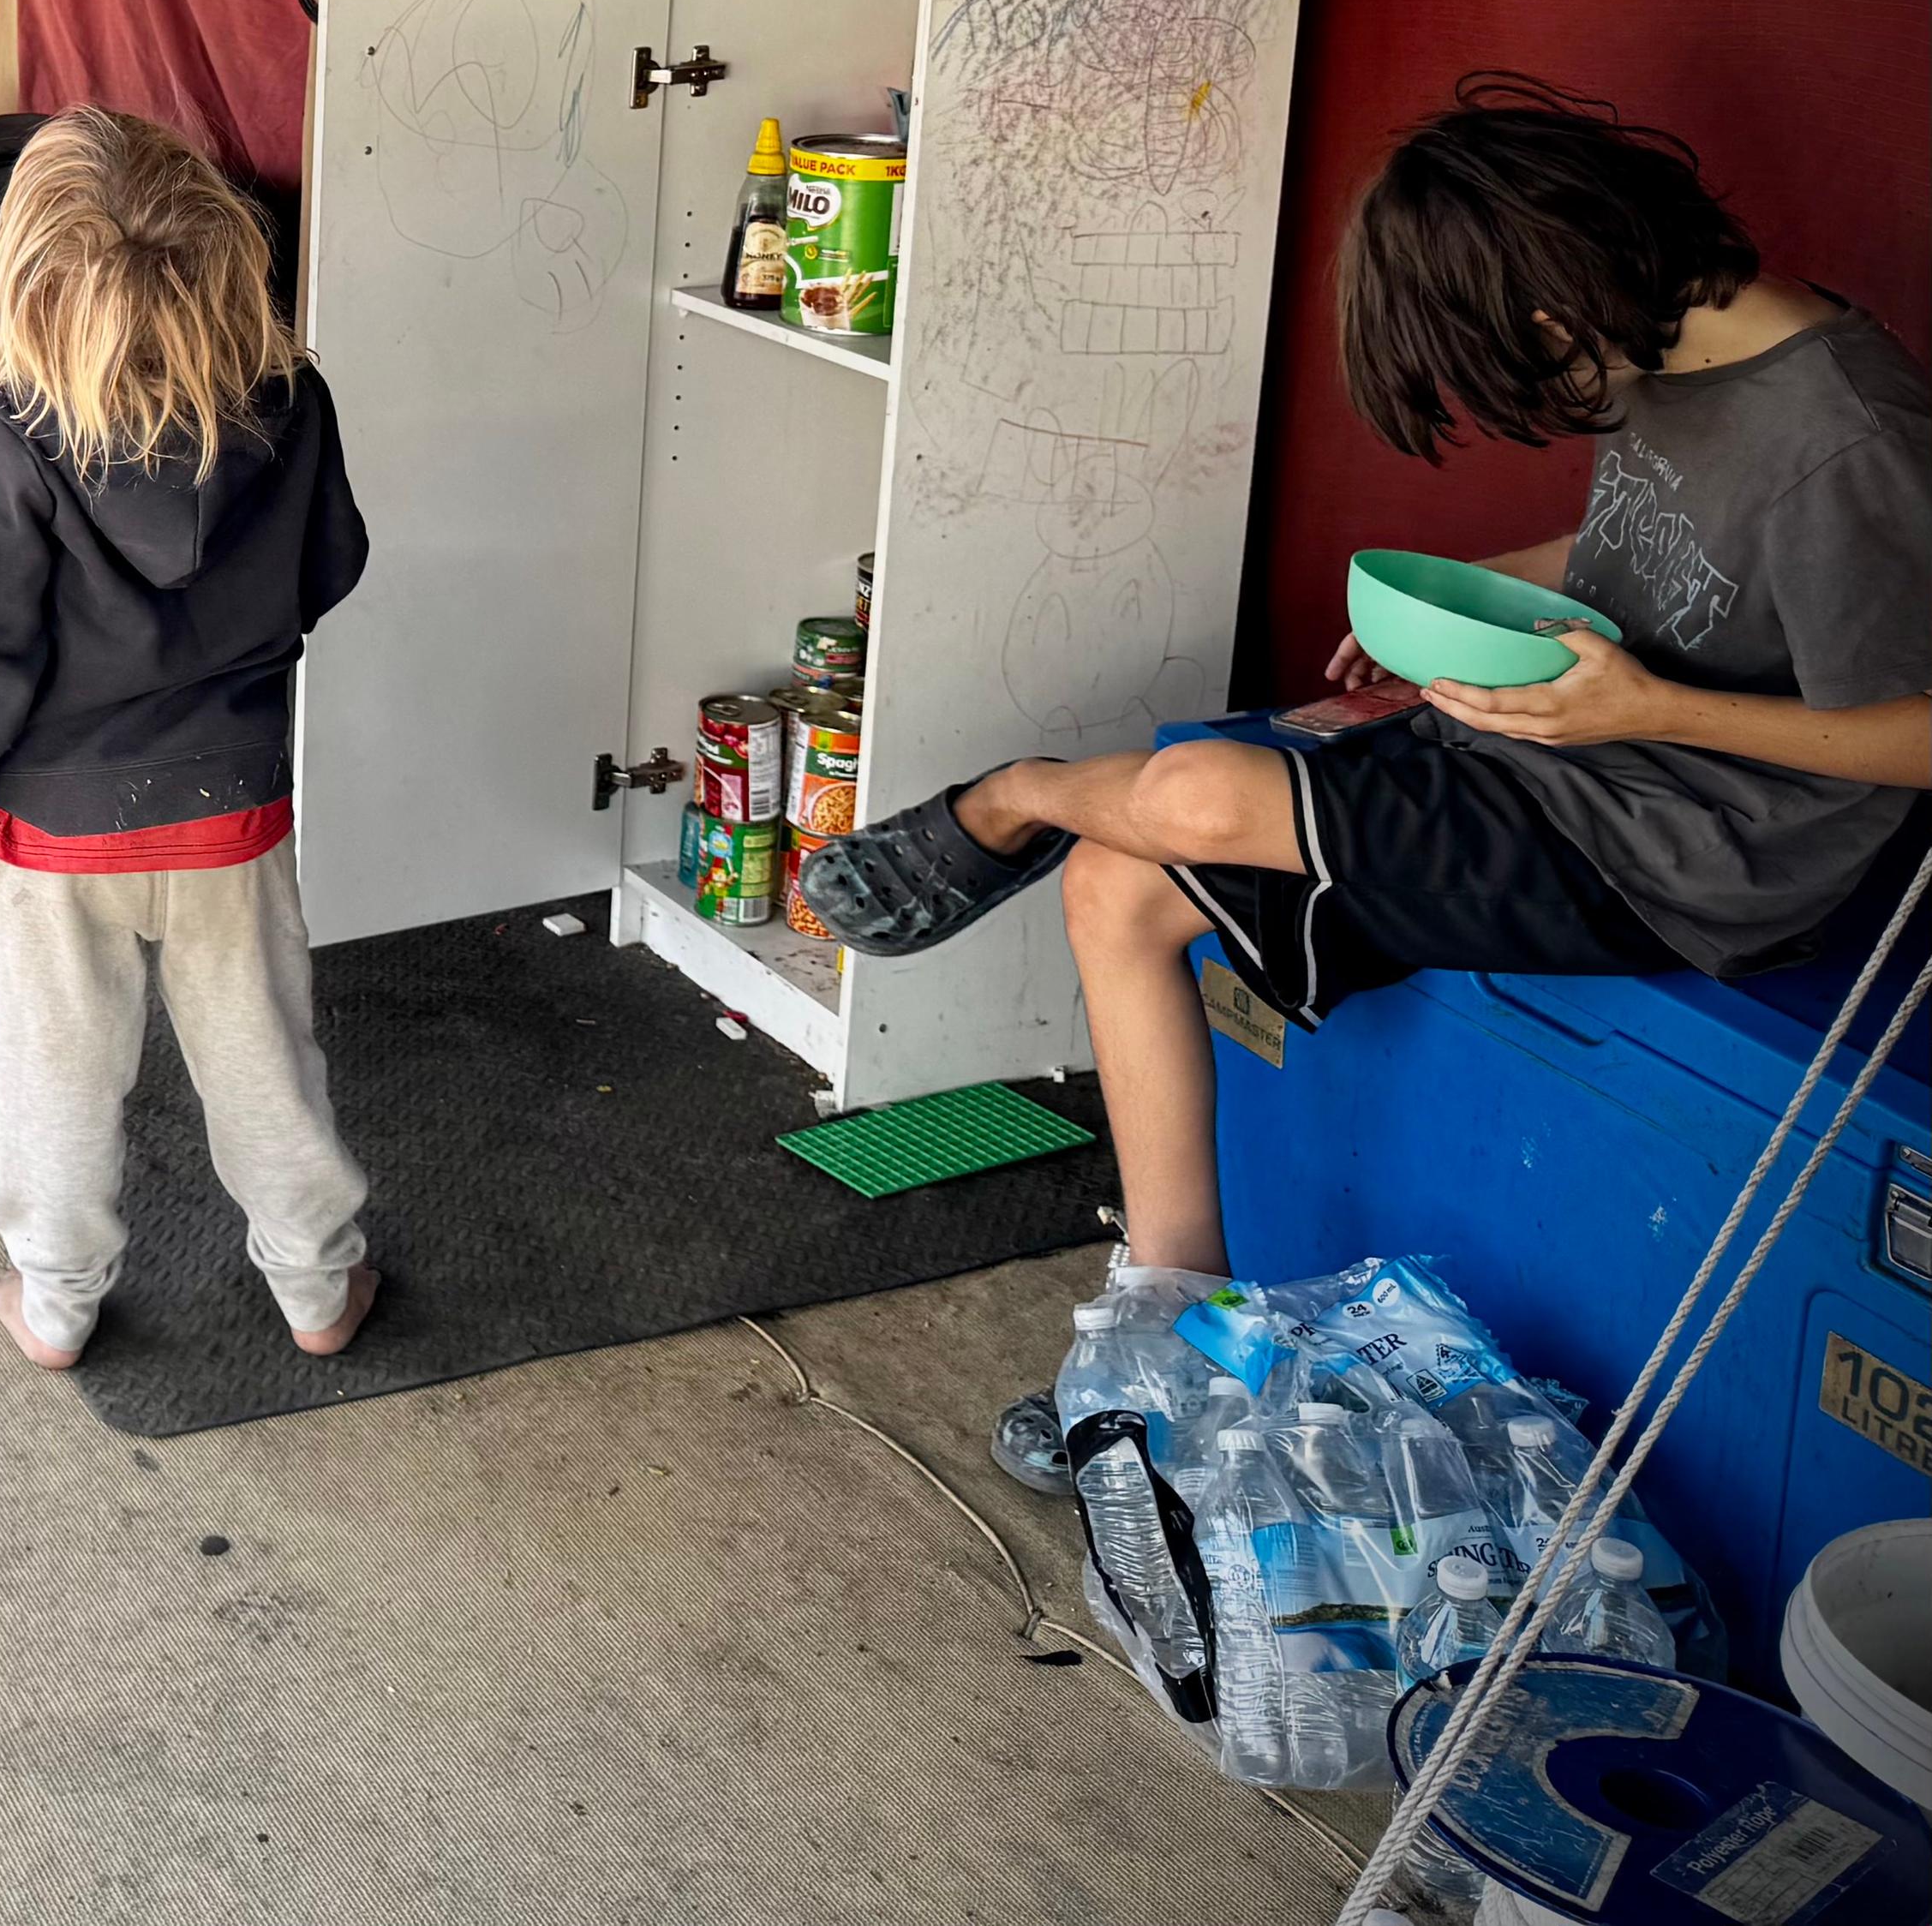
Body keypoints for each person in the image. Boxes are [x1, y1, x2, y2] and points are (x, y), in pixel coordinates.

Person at [800, 76, 1932, 1384]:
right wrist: (1486, 592)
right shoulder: (1675, 341)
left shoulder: (1847, 438)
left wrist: (1649, 709)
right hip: (1564, 758)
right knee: (1120, 889)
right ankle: (1169, 1333)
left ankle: (1009, 801)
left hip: (1689, 852)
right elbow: (1675, 552)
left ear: (1553, 305)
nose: (1549, 403)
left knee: (1203, 796)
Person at [0, 111, 382, 1370]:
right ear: (226, 252)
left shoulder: (12, 430)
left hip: (54, 829)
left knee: (54, 1076)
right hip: (234, 806)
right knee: (267, 1054)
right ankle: (320, 1289)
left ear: (31, 273)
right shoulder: (293, 399)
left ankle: (55, 1302)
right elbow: (336, 563)